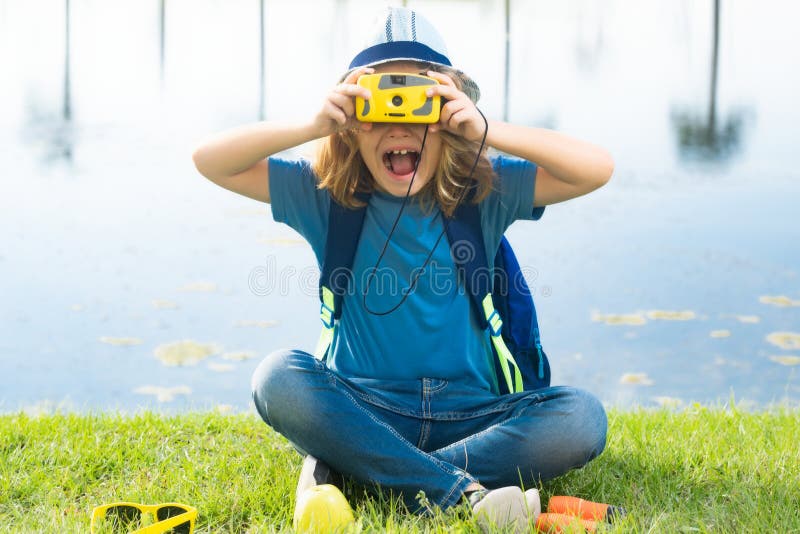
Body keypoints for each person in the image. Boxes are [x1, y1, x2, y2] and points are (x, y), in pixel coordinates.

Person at [192, 7, 613, 532]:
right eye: (378, 105)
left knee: (581, 417)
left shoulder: (482, 190)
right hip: (363, 406)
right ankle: (458, 492)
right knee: (275, 377)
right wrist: (311, 125)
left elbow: (597, 169)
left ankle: (370, 470)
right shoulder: (327, 195)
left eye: (421, 105)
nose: (400, 123)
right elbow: (209, 160)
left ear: (450, 117)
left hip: (471, 412)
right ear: (349, 124)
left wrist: (487, 129)